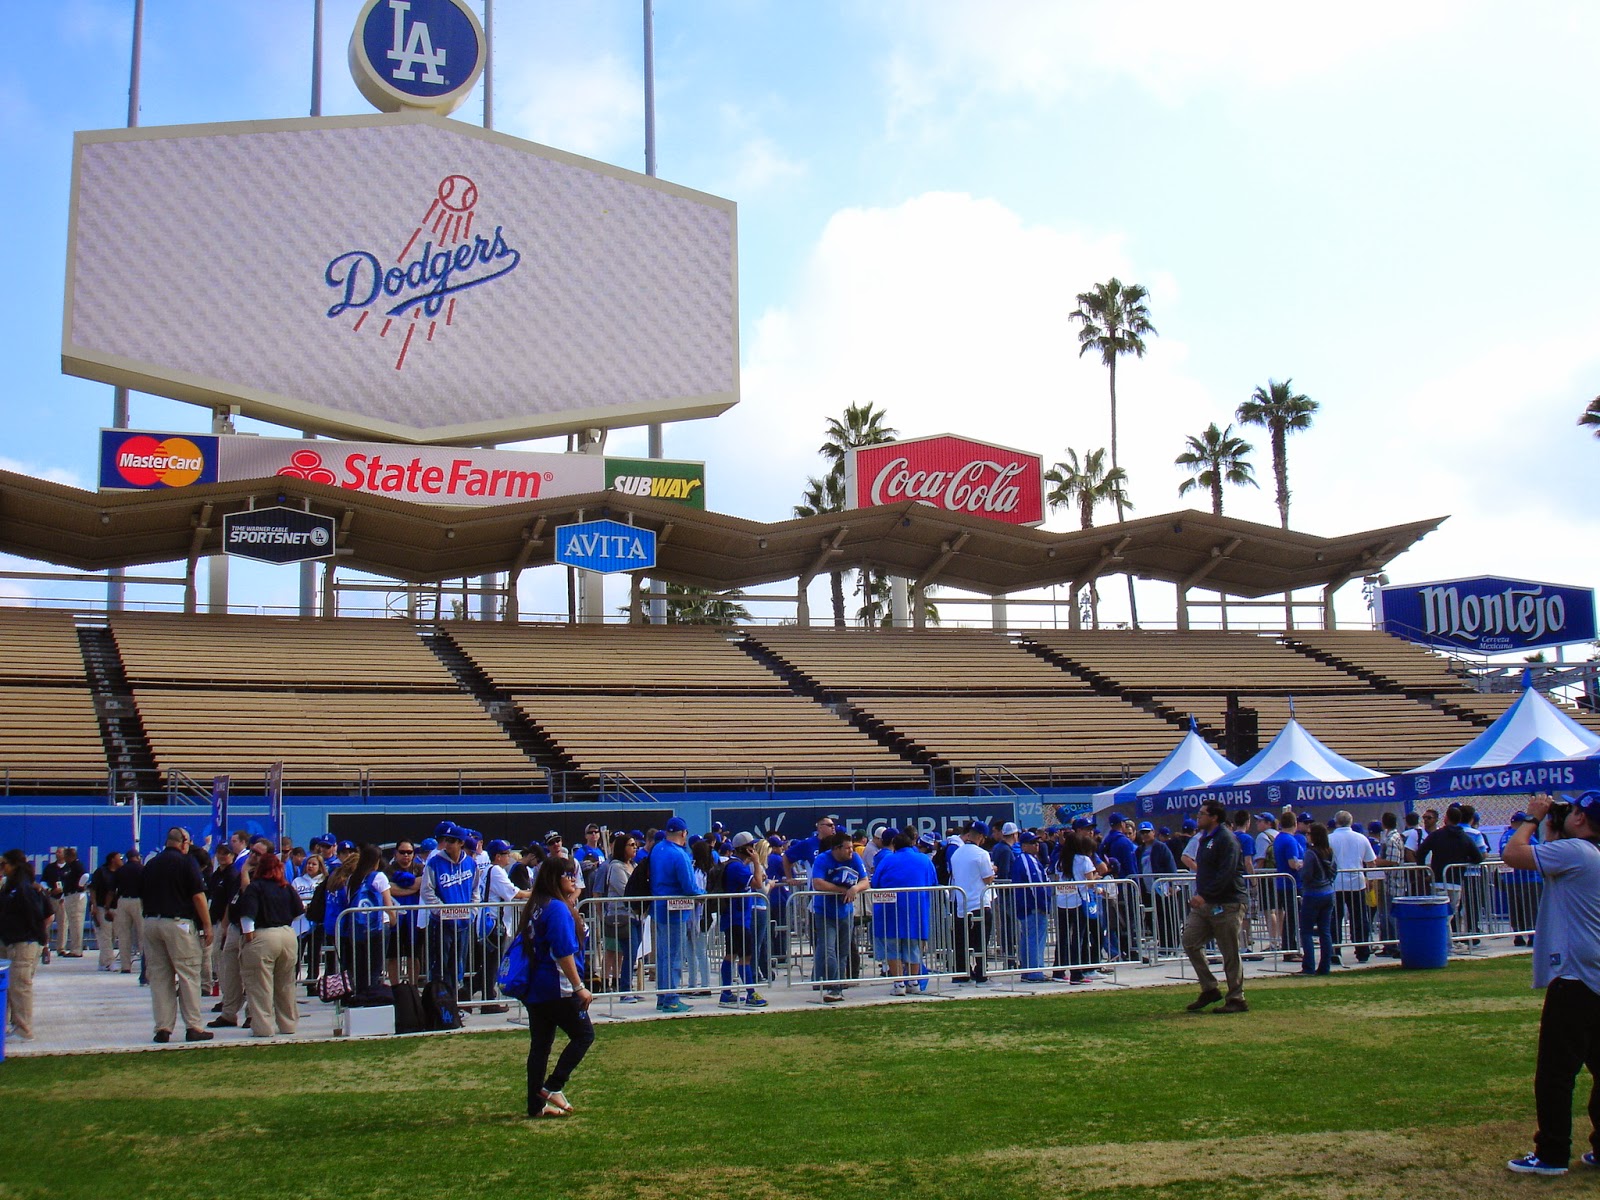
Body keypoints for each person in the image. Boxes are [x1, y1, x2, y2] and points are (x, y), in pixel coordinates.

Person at [1502, 792, 1600, 1176]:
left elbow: (1514, 855)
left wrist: (1531, 816)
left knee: (1555, 1074)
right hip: (1594, 972)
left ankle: (1552, 1154)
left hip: (1575, 977)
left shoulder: (1576, 852)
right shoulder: (1586, 854)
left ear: (1580, 819)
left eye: (1573, 811)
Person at [518, 856, 595, 1119]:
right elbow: (563, 952)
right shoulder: (557, 909)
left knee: (540, 1045)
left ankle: (535, 1105)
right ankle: (553, 1086)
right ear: (554, 878)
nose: (573, 880)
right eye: (567, 875)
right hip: (556, 986)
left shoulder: (537, 904)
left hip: (536, 987)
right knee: (584, 1035)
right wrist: (579, 987)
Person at [140, 827, 214, 1043]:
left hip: (152, 921)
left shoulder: (152, 863)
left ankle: (162, 1027)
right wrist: (207, 925)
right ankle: (193, 1026)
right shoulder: (186, 862)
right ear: (183, 843)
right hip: (178, 922)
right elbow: (198, 896)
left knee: (160, 977)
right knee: (188, 974)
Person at [1182, 800, 1248, 1014]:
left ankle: (1236, 998)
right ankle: (1209, 987)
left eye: (1202, 814)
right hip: (1206, 903)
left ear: (1214, 817)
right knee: (1190, 941)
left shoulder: (1226, 839)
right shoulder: (1204, 839)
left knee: (1229, 951)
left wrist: (1205, 894)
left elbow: (1226, 873)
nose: (1198, 817)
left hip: (1227, 902)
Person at [237, 850, 304, 1037]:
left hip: (263, 935)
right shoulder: (287, 887)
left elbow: (247, 916)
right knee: (286, 985)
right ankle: (288, 1024)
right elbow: (299, 913)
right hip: (287, 935)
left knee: (260, 986)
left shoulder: (255, 887)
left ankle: (263, 1027)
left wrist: (249, 939)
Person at [872, 829, 937, 994]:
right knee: (914, 946)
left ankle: (899, 984)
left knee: (893, 948)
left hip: (891, 910)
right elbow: (932, 882)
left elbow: (876, 883)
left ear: (894, 845)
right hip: (916, 910)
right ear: (912, 843)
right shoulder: (924, 860)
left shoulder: (887, 860)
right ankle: (914, 982)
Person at [650, 816, 701, 1013]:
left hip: (660, 908)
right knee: (674, 957)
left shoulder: (658, 849)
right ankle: (671, 997)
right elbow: (689, 886)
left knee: (664, 956)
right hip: (676, 911)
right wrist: (703, 894)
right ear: (683, 833)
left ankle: (663, 996)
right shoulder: (679, 855)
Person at [810, 832, 868, 1002]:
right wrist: (841, 890)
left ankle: (838, 986)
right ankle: (832, 985)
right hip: (825, 911)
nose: (851, 851)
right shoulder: (823, 859)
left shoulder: (855, 858)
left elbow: (865, 881)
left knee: (843, 952)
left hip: (846, 912)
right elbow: (818, 882)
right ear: (836, 848)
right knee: (828, 949)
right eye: (847, 848)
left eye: (851, 847)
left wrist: (855, 889)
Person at [0, 850, 49, 1042]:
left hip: (24, 941)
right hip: (10, 941)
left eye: (5, 864)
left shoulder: (24, 888)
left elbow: (36, 915)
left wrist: (36, 939)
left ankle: (24, 1029)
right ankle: (12, 1024)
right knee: (11, 987)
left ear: (14, 865)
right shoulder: (9, 888)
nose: (2, 869)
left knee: (20, 987)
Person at [717, 832, 768, 1008]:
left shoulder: (735, 865)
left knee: (731, 955)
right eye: (751, 847)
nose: (754, 850)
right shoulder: (737, 867)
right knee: (745, 957)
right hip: (737, 918)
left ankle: (726, 993)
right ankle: (750, 993)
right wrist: (756, 862)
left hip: (735, 917)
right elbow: (758, 884)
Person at [948, 821, 996, 985]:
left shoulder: (957, 853)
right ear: (981, 837)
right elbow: (987, 878)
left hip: (962, 903)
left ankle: (962, 973)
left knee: (962, 941)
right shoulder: (982, 854)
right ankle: (981, 973)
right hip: (979, 902)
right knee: (981, 941)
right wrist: (993, 871)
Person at [1327, 811, 1377, 965]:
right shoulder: (1361, 838)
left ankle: (1335, 950)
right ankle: (1362, 950)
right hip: (1357, 882)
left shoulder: (1329, 839)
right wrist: (1370, 878)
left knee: (1335, 918)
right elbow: (1371, 862)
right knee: (1359, 918)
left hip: (1336, 883)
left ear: (1336, 822)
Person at [599, 832, 641, 1001]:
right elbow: (626, 890)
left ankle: (627, 985)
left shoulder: (634, 865)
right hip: (622, 915)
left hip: (636, 915)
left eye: (635, 844)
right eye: (631, 845)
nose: (635, 847)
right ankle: (624, 989)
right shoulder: (616, 867)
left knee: (633, 952)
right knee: (628, 951)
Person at [1297, 823, 1337, 976]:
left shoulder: (1310, 853)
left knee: (1306, 931)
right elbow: (1334, 870)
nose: (1307, 836)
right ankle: (1325, 966)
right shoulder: (1330, 852)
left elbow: (1307, 874)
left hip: (1313, 894)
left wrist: (1303, 876)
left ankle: (1308, 967)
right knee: (1325, 931)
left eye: (1308, 833)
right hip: (1328, 892)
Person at [111, 849, 143, 974]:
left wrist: (110, 906)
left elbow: (113, 890)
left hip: (123, 901)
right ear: (137, 857)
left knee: (124, 935)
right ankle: (145, 967)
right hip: (138, 901)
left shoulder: (121, 870)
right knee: (142, 935)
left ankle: (125, 966)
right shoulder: (142, 869)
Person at [90, 850, 122, 972]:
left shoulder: (119, 873)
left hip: (115, 907)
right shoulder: (101, 872)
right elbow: (93, 889)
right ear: (112, 860)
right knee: (105, 935)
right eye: (119, 858)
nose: (121, 860)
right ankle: (109, 962)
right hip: (101, 907)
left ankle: (102, 963)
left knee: (112, 935)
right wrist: (94, 906)